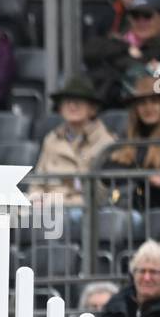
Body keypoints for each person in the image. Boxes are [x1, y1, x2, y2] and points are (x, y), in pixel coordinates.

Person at [104, 76, 160, 210]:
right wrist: (147, 177)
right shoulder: (127, 139)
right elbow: (106, 170)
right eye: (142, 103)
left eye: (154, 101)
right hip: (130, 208)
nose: (148, 108)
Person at [26, 75, 115, 213]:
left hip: (83, 210)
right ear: (60, 109)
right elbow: (38, 181)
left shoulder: (105, 142)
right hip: (48, 206)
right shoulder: (51, 139)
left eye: (79, 101)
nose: (72, 106)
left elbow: (102, 195)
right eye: (67, 101)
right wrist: (36, 199)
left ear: (92, 109)